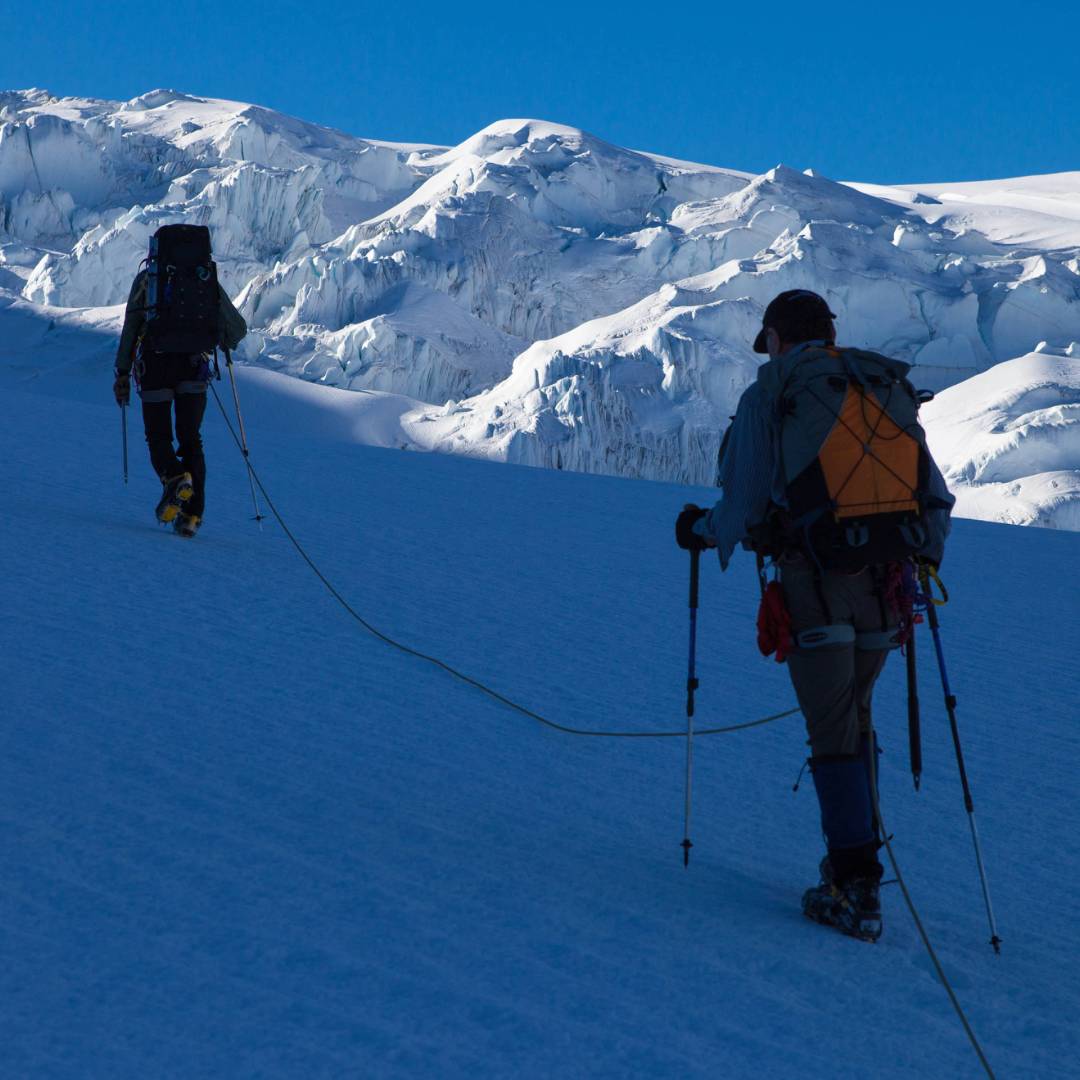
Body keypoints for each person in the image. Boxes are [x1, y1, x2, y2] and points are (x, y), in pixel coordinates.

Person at [675, 289, 954, 942]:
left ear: (775, 338)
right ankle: (854, 855)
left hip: (815, 582)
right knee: (855, 715)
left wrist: (702, 532)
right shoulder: (875, 384)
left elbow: (742, 501)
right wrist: (920, 563)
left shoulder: (775, 391)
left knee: (833, 729)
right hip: (888, 587)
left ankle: (855, 888)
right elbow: (933, 496)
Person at [112, 226, 247, 538]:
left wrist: (121, 372)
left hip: (155, 365)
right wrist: (217, 339)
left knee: (158, 437)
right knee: (191, 439)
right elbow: (236, 328)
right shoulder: (204, 278)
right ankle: (191, 517)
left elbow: (131, 326)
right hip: (193, 367)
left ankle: (174, 478)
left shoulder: (149, 279)